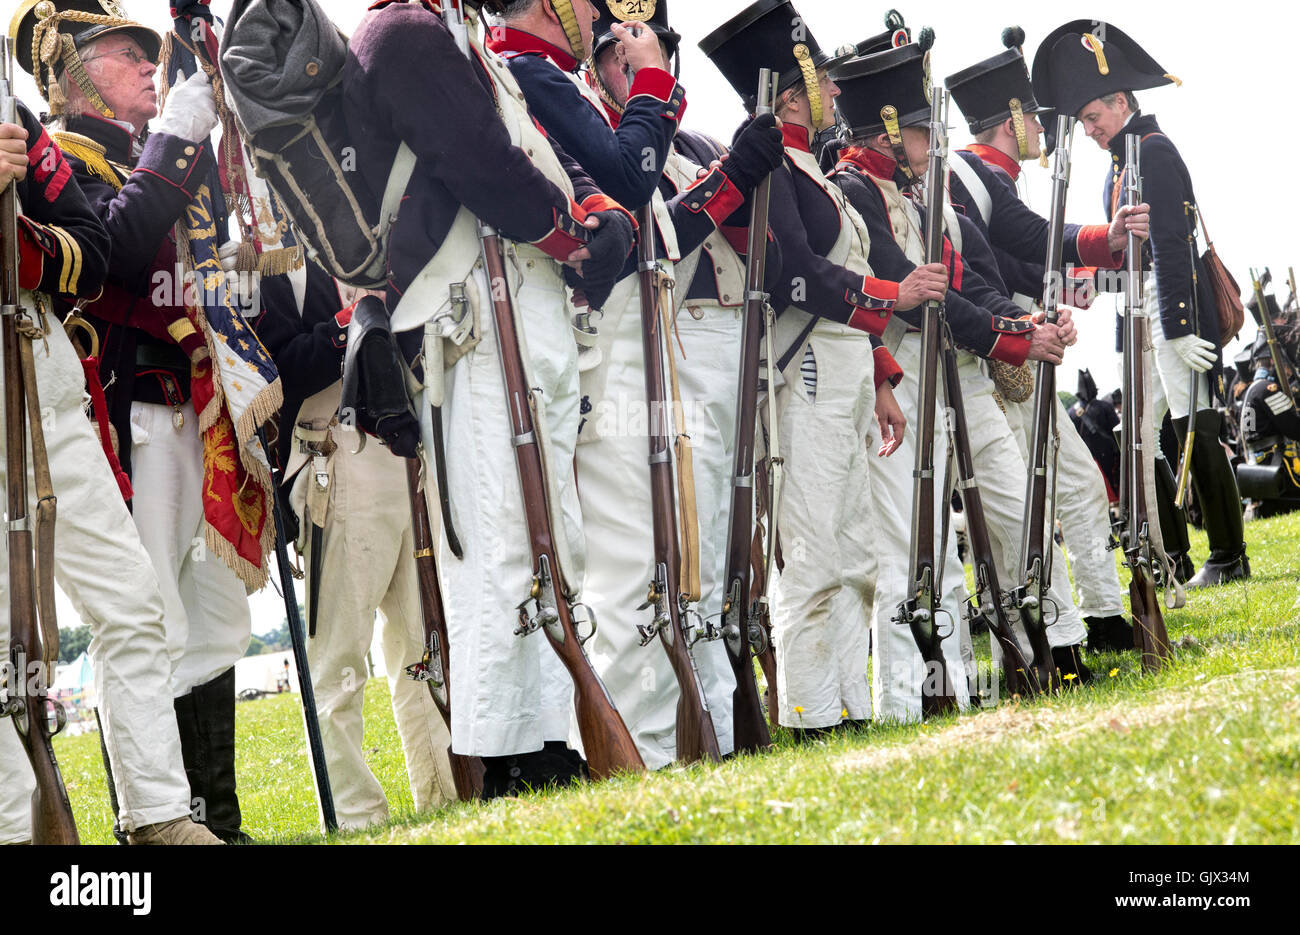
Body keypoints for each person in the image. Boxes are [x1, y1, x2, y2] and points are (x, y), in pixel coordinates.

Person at [343, 0, 635, 795]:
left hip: (514, 305)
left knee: (550, 538)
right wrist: (577, 239)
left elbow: (531, 151)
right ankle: (510, 758)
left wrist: (597, 210)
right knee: (502, 538)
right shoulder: (403, 33)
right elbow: (480, 164)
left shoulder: (454, 36)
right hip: (467, 320)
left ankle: (546, 736)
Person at [493, 0, 786, 763]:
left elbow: (653, 226)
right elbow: (629, 184)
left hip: (642, 331)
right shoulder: (531, 73)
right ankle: (650, 754)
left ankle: (698, 738)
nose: (607, 28)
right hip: (612, 342)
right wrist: (652, 84)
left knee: (675, 555)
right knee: (632, 563)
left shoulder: (559, 81)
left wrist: (725, 173)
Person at [3, 0, 220, 845]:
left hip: (43, 366)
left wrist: (17, 223)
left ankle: (161, 817)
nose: (140, 61)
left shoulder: (25, 126)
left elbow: (93, 249)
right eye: (118, 50)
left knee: (135, 607)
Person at [703, 1, 951, 733]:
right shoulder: (771, 163)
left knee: (855, 548)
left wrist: (878, 371)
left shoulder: (807, 165)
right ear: (790, 93)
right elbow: (793, 276)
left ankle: (848, 702)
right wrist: (888, 296)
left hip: (841, 361)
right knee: (812, 549)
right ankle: (812, 709)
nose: (835, 93)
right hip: (804, 361)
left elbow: (835, 269)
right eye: (821, 83)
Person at [827, 38, 1086, 717]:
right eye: (918, 127)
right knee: (918, 550)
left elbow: (975, 285)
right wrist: (1015, 339)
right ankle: (918, 700)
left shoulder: (924, 195)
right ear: (886, 128)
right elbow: (923, 304)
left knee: (1014, 509)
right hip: (905, 374)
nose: (930, 137)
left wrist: (1027, 327)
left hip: (958, 369)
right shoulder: (851, 191)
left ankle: (1048, 652)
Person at [944, 29, 1149, 653]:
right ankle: (1054, 630)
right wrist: (1103, 242)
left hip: (1020, 338)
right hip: (999, 352)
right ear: (1011, 118)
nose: (1041, 127)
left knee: (1063, 490)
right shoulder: (975, 178)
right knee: (1025, 504)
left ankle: (1102, 620)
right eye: (1032, 115)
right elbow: (1028, 242)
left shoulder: (989, 179)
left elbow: (1022, 260)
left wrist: (1093, 277)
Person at [1032, 19, 1249, 589]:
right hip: (1139, 309)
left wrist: (1177, 326)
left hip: (1167, 305)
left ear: (1121, 101)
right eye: (1083, 122)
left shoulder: (1151, 152)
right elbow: (1123, 255)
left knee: (1191, 420)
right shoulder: (1122, 163)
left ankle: (1228, 553)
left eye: (1093, 118)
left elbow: (1173, 249)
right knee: (1143, 431)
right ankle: (1170, 552)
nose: (1090, 130)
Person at [252, 264, 459, 828]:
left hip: (411, 453)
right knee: (339, 658)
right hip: (335, 457)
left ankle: (444, 790)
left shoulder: (385, 245)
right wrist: (352, 323)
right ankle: (354, 815)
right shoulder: (278, 261)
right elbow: (272, 372)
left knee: (426, 642)